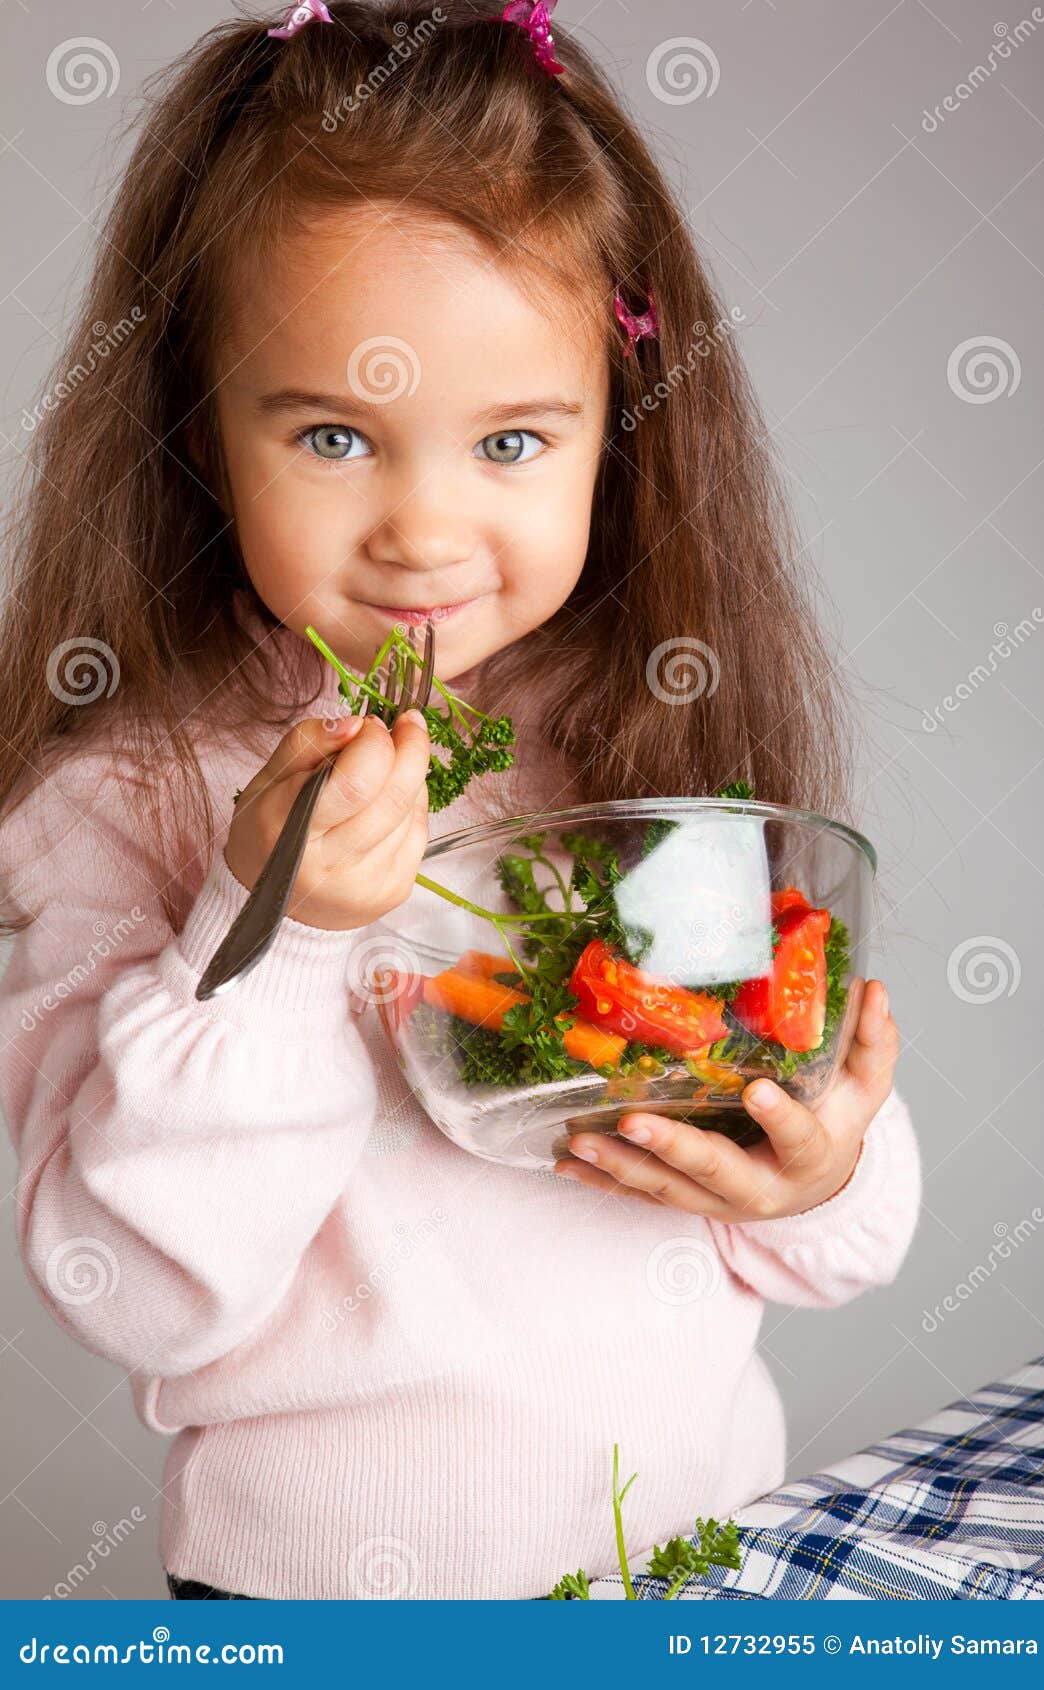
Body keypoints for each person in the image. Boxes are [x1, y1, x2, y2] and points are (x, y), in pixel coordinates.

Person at [0, 2, 919, 1600]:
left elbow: (831, 1238)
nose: (425, 529)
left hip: (684, 1576)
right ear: (204, 429)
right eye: (338, 435)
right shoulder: (123, 798)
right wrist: (273, 930)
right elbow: (132, 1285)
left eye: (508, 440)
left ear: (611, 439)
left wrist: (819, 1158)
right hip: (316, 1609)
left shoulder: (643, 739)